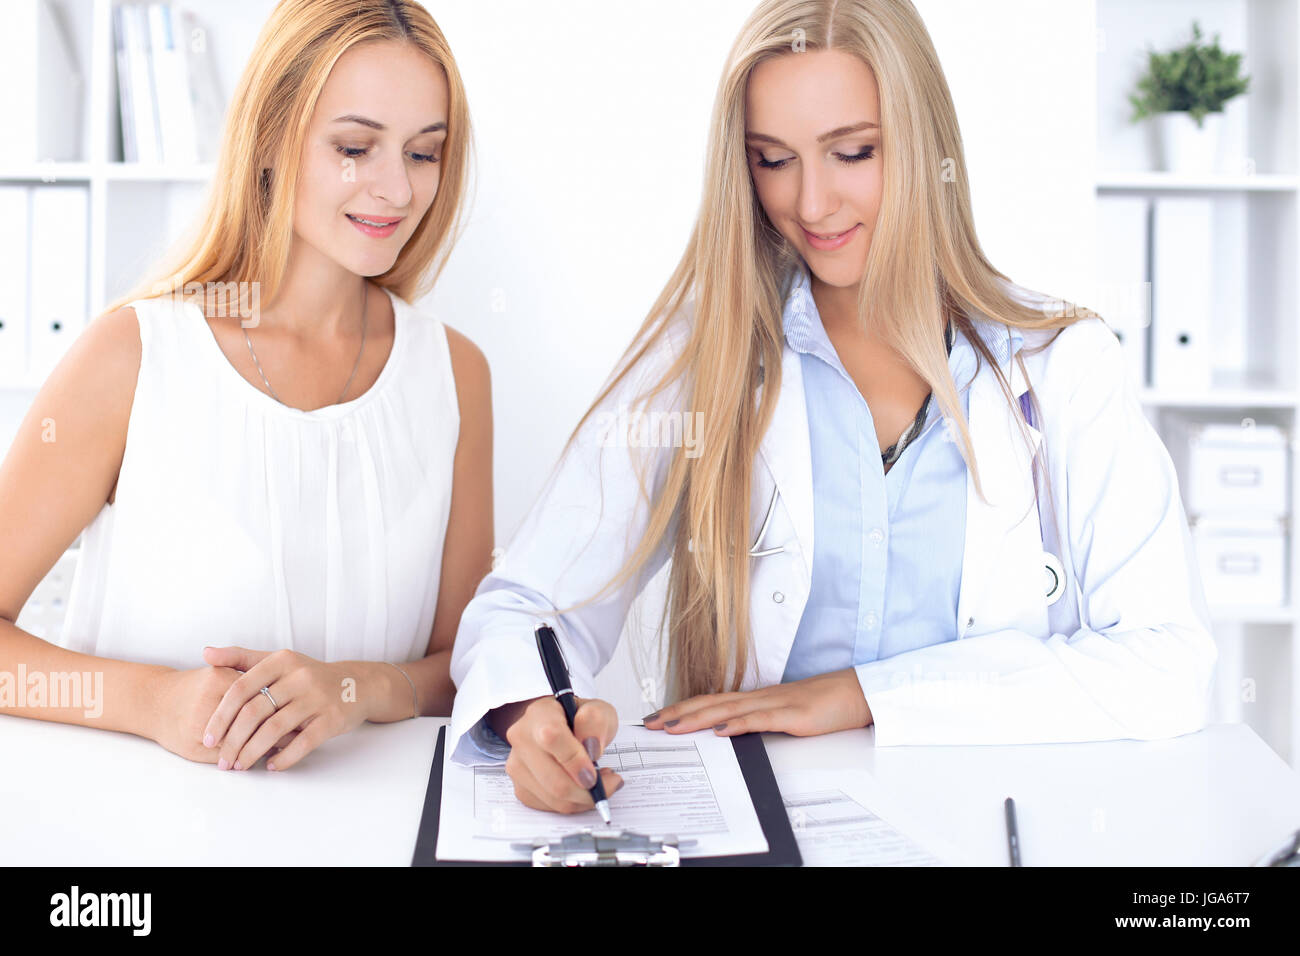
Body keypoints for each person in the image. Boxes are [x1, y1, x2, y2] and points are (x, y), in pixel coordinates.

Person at [447, 0, 1217, 815]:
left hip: (989, 826)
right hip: (767, 829)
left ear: (925, 144)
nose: (811, 205)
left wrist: (859, 695)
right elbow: (526, 605)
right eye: (773, 160)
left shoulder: (1060, 364)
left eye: (852, 153)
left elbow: (1169, 664)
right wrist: (533, 712)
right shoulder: (704, 356)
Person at [0, 0, 492, 772]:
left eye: (424, 153)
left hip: (373, 841)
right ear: (269, 139)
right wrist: (153, 702)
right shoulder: (131, 354)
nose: (396, 189)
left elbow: (466, 661)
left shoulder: (454, 373)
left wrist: (354, 688)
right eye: (356, 147)